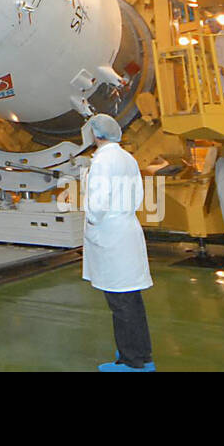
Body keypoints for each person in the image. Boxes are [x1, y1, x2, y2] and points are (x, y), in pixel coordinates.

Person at [81, 113, 155, 372]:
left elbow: (97, 203)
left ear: (96, 134)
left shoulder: (103, 161)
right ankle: (142, 355)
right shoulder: (127, 157)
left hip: (111, 233)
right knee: (132, 299)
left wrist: (90, 219)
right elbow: (138, 194)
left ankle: (130, 362)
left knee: (120, 303)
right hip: (127, 227)